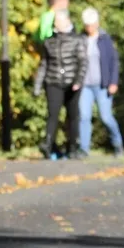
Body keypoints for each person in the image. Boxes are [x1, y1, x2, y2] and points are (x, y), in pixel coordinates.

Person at [33, 9, 86, 160]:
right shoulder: (49, 42)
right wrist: (37, 86)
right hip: (53, 82)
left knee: (73, 115)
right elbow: (44, 64)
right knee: (53, 114)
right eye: (55, 21)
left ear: (67, 21)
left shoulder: (77, 40)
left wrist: (78, 81)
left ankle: (73, 147)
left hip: (72, 83)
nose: (56, 23)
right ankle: (48, 145)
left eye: (59, 20)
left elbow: (83, 62)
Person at [77, 7, 124, 157]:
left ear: (97, 23)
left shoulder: (105, 39)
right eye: (87, 25)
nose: (89, 28)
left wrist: (113, 82)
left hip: (102, 84)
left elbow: (113, 61)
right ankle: (84, 149)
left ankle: (118, 144)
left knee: (106, 117)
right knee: (84, 116)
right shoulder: (80, 39)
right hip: (85, 85)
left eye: (91, 25)